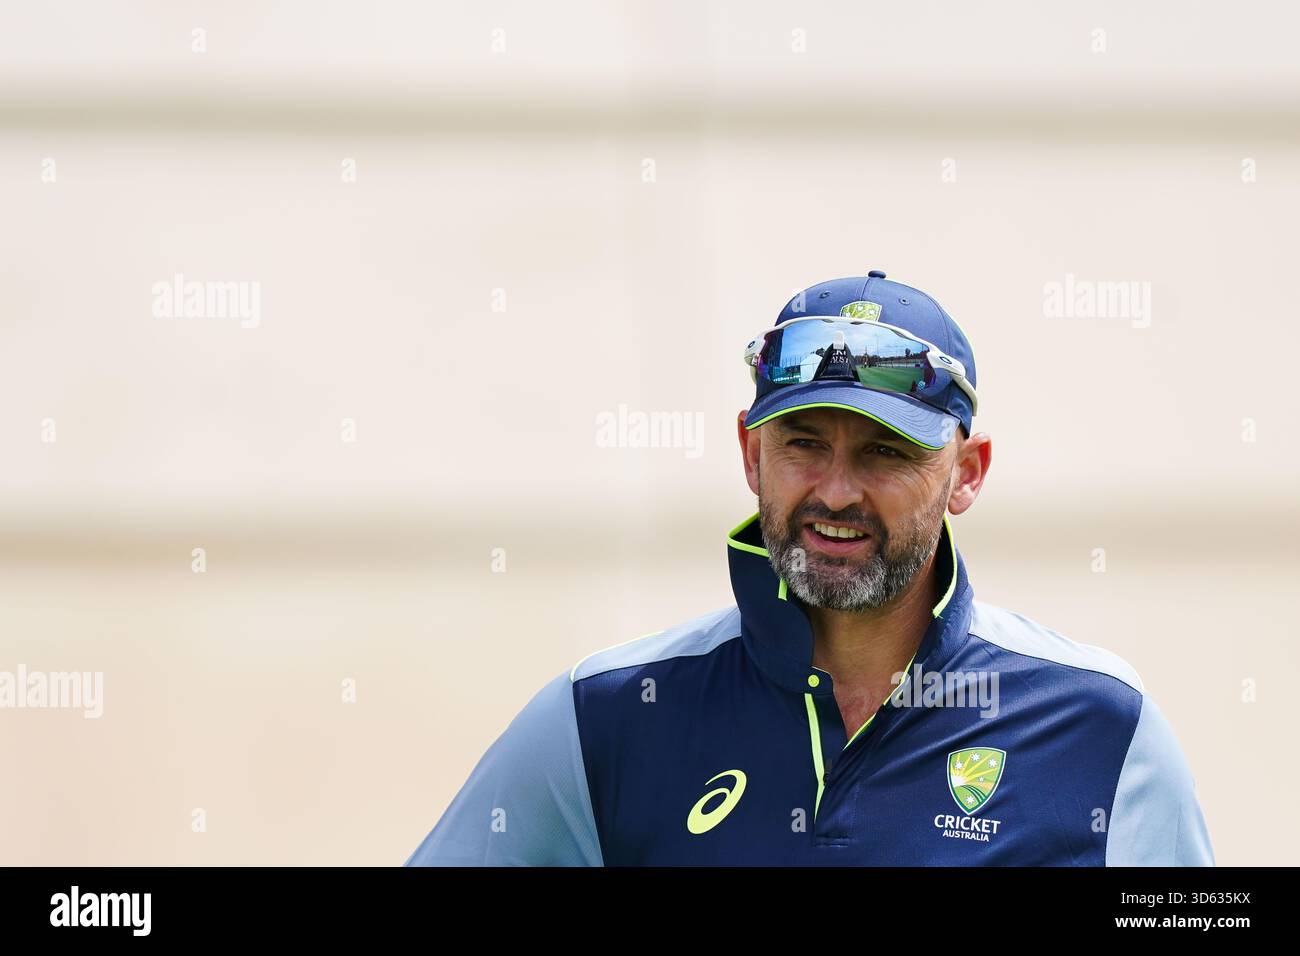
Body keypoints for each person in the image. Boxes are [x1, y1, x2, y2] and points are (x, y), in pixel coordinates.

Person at [406, 270, 1214, 866]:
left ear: (967, 473)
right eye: (803, 444)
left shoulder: (1103, 727)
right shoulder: (604, 716)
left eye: (885, 452)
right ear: (750, 455)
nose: (836, 491)